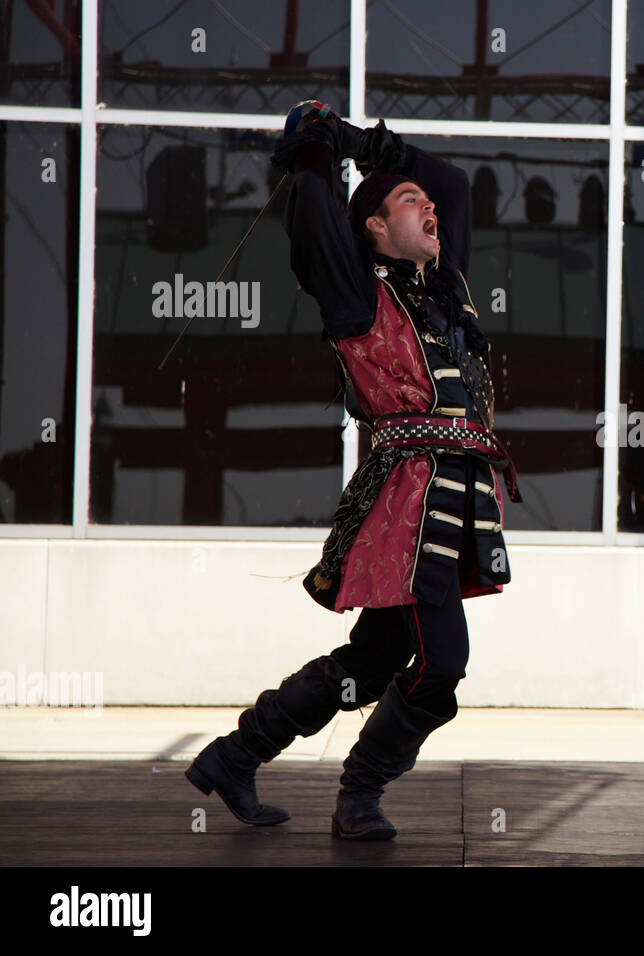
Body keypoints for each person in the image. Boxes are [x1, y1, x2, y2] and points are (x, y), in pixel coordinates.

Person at [186, 103, 519, 841]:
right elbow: (312, 216)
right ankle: (359, 795)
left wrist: (368, 145)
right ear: (371, 226)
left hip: (456, 502)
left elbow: (454, 186)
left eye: (422, 202)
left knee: (369, 666)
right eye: (408, 203)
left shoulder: (446, 288)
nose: (429, 207)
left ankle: (233, 756)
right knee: (440, 669)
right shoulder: (356, 291)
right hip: (408, 510)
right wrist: (313, 150)